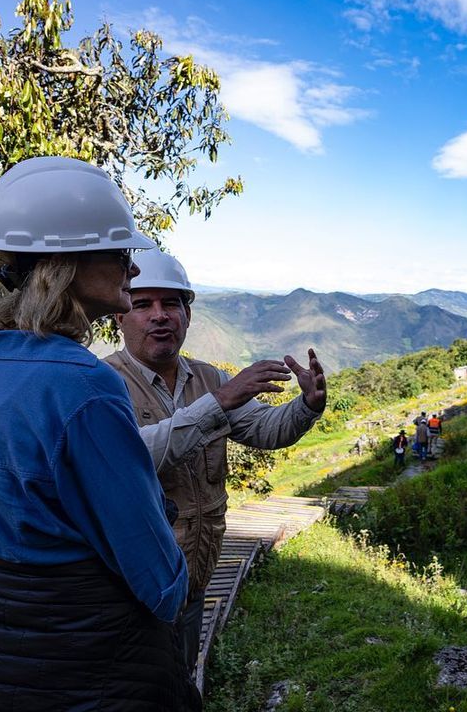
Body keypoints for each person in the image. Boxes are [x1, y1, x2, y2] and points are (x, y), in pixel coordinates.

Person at [0, 157, 199, 711]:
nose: (132, 270)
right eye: (120, 254)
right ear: (69, 262)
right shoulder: (85, 386)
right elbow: (161, 583)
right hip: (92, 660)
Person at [103, 248, 325, 673]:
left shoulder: (208, 377)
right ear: (119, 316)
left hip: (194, 578)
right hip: (132, 590)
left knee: (182, 680)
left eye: (171, 303)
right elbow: (130, 458)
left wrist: (306, 406)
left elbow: (264, 429)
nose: (159, 315)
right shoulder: (103, 383)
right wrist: (219, 402)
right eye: (143, 303)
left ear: (188, 315)